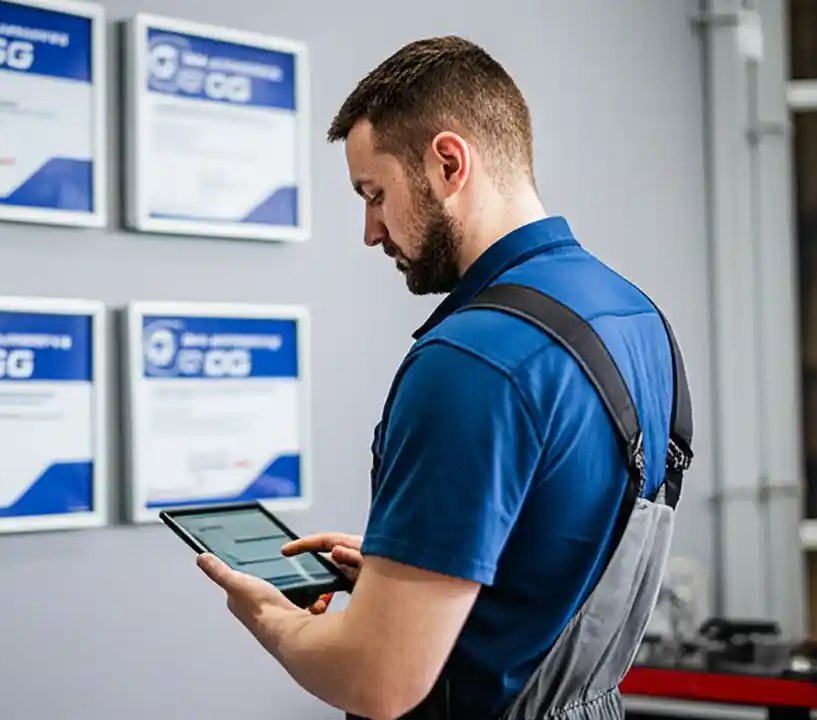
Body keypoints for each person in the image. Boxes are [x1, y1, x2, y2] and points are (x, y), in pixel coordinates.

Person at [193, 35, 694, 720]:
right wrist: (411, 575)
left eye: (375, 194)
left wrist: (269, 617)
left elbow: (380, 680)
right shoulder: (638, 317)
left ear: (449, 163)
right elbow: (560, 554)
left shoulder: (470, 359)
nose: (371, 231)